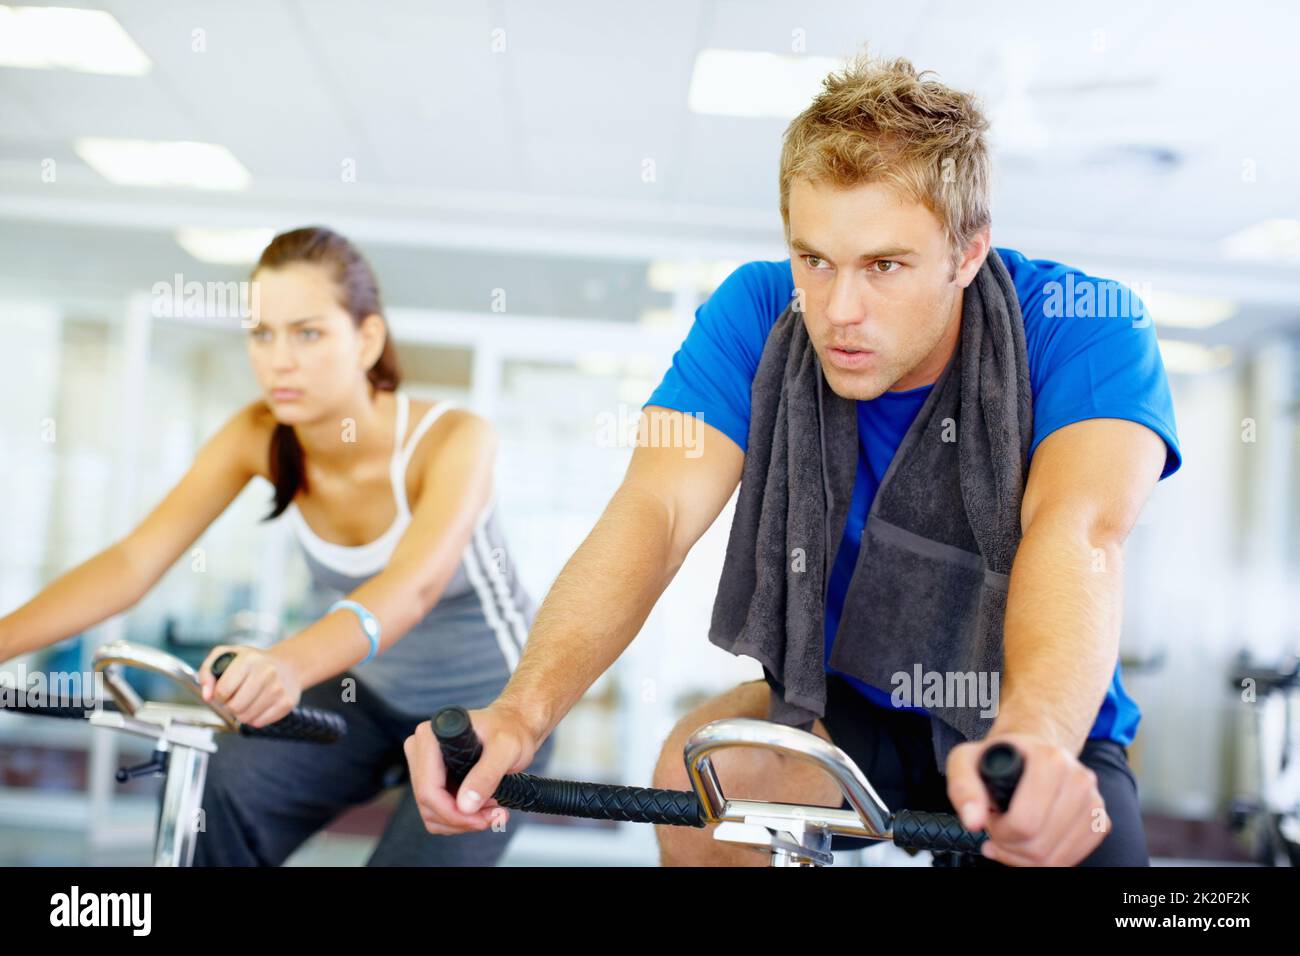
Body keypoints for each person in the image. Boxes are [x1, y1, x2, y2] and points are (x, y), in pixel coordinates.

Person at [404, 53, 1180, 867]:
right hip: (846, 699)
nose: (839, 311)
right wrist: (523, 714)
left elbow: (1078, 533)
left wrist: (1037, 742)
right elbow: (655, 514)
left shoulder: (1084, 327)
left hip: (1033, 718)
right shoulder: (756, 313)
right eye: (814, 260)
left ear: (968, 253)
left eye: (885, 266)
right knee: (700, 772)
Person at [0, 226, 549, 866]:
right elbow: (133, 562)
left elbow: (413, 587)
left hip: (488, 709)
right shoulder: (255, 436)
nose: (277, 360)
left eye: (308, 333)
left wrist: (286, 663)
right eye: (262, 334)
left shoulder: (454, 438)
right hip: (367, 696)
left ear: (366, 339)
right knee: (221, 792)